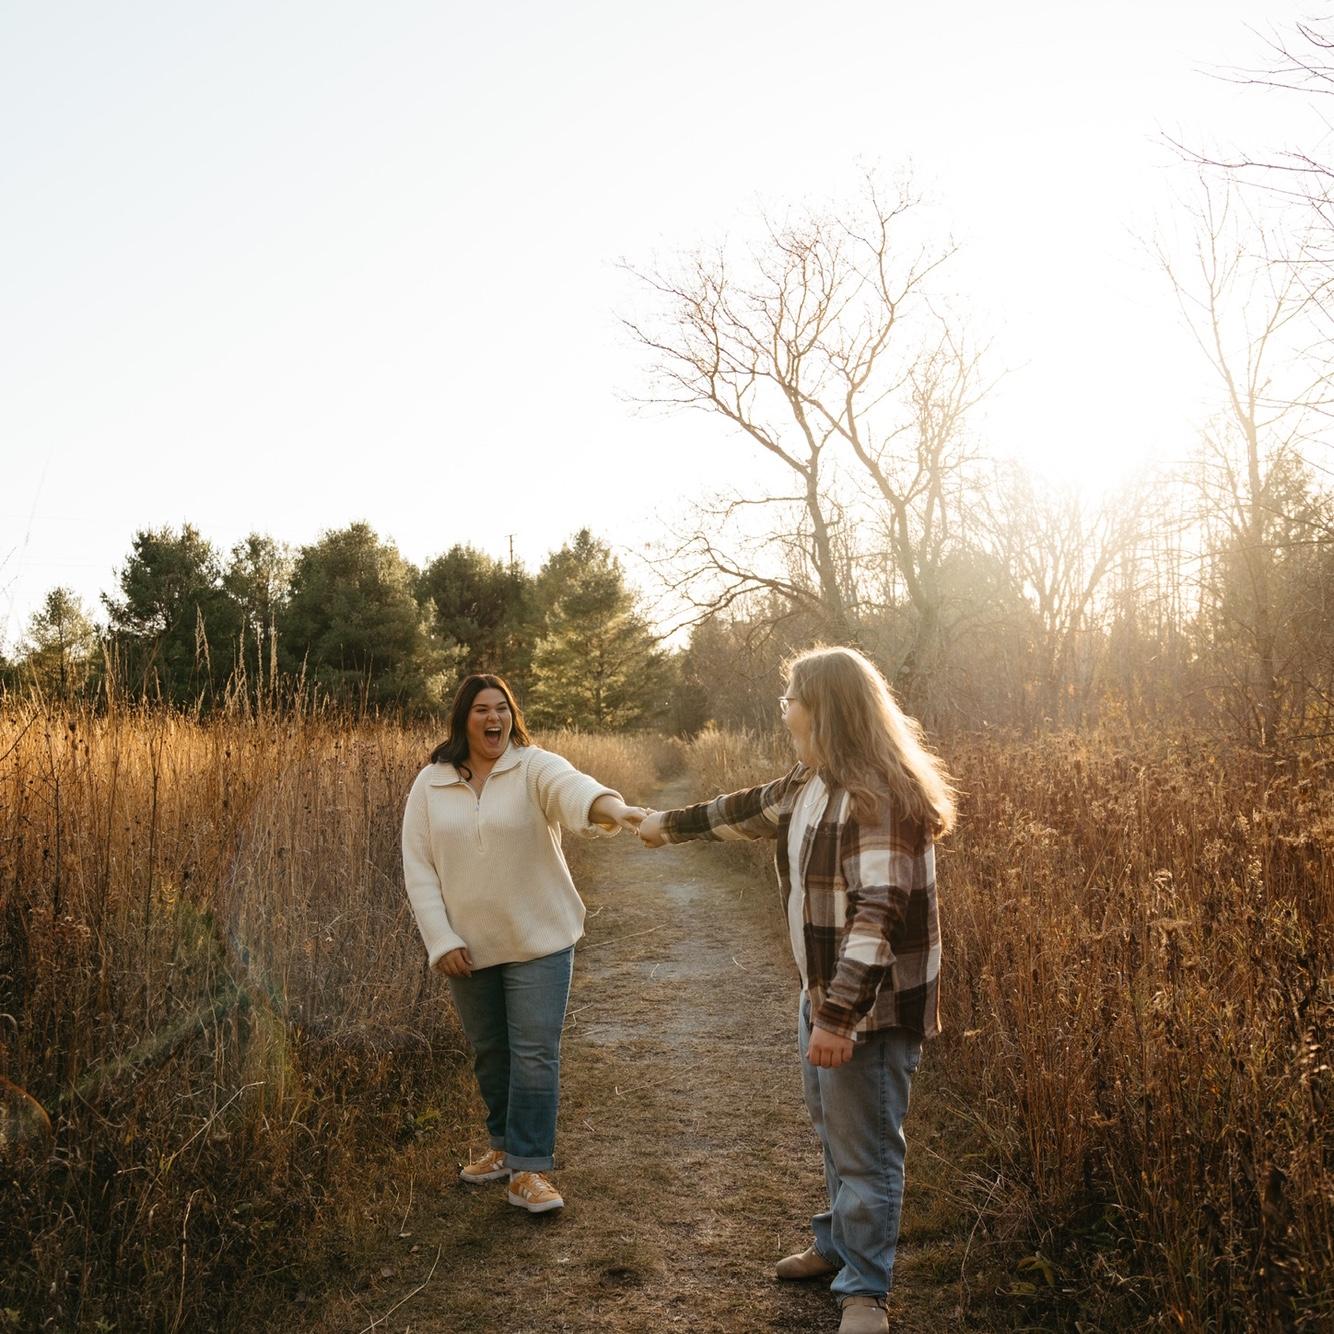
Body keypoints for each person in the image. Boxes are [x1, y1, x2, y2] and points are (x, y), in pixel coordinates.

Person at [636, 646, 955, 1334]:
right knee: (834, 1132)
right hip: (824, 996)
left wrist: (837, 1017)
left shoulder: (879, 795)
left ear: (824, 708)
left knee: (867, 1148)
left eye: (791, 698)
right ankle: (839, 1246)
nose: (783, 709)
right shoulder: (811, 782)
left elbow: (878, 915)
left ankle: (866, 1291)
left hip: (868, 1009)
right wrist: (667, 826)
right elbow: (746, 809)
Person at [401, 672, 645, 1213]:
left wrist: (617, 810)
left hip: (540, 938)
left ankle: (529, 1172)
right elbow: (418, 869)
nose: (495, 719)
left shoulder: (533, 765)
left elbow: (575, 788)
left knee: (534, 1054)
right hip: (470, 946)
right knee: (492, 1055)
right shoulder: (431, 783)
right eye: (483, 710)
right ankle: (502, 1148)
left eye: (503, 709)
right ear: (464, 719)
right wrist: (440, 940)